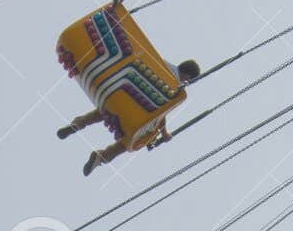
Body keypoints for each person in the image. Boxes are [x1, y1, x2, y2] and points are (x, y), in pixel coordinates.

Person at [60, 58, 201, 176]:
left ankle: (77, 124)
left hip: (124, 92)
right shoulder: (176, 87)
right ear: (188, 77)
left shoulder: (159, 61)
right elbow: (160, 112)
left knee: (106, 109)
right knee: (136, 139)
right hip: (140, 111)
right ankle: (101, 157)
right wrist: (164, 133)